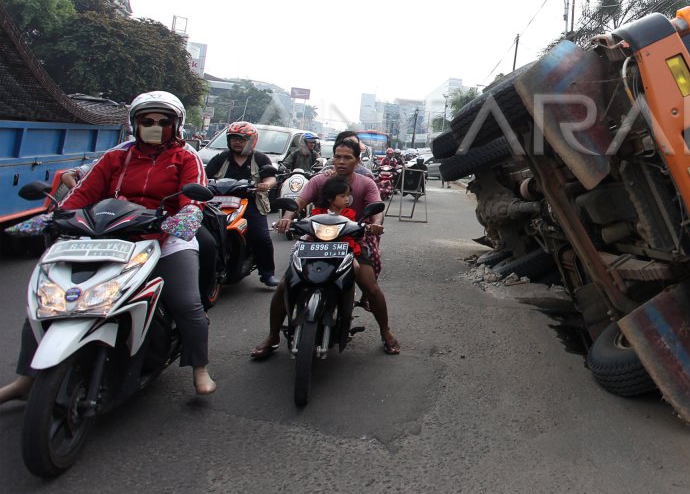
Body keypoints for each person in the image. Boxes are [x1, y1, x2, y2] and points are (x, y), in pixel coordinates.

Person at [0, 90, 216, 403]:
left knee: (186, 303)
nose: (154, 126)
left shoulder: (186, 157)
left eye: (162, 121)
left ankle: (199, 367)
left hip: (167, 238)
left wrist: (185, 218)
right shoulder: (116, 157)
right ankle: (25, 379)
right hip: (110, 236)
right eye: (147, 120)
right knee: (50, 300)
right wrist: (54, 218)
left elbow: (192, 200)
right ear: (136, 124)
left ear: (176, 125)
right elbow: (80, 196)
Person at [256, 138, 400, 356]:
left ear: (357, 160)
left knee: (370, 287)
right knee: (285, 284)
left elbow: (375, 208)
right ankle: (273, 334)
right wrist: (287, 218)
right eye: (337, 156)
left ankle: (385, 332)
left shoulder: (366, 183)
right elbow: (299, 203)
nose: (341, 162)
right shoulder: (319, 180)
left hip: (352, 241)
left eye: (347, 157)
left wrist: (376, 225)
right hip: (315, 240)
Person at [205, 121, 279, 287]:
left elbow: (271, 176)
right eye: (233, 138)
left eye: (241, 139)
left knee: (261, 237)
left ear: (251, 140)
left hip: (250, 203)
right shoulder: (221, 158)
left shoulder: (260, 158)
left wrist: (266, 184)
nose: (236, 142)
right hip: (219, 203)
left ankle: (267, 273)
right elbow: (204, 176)